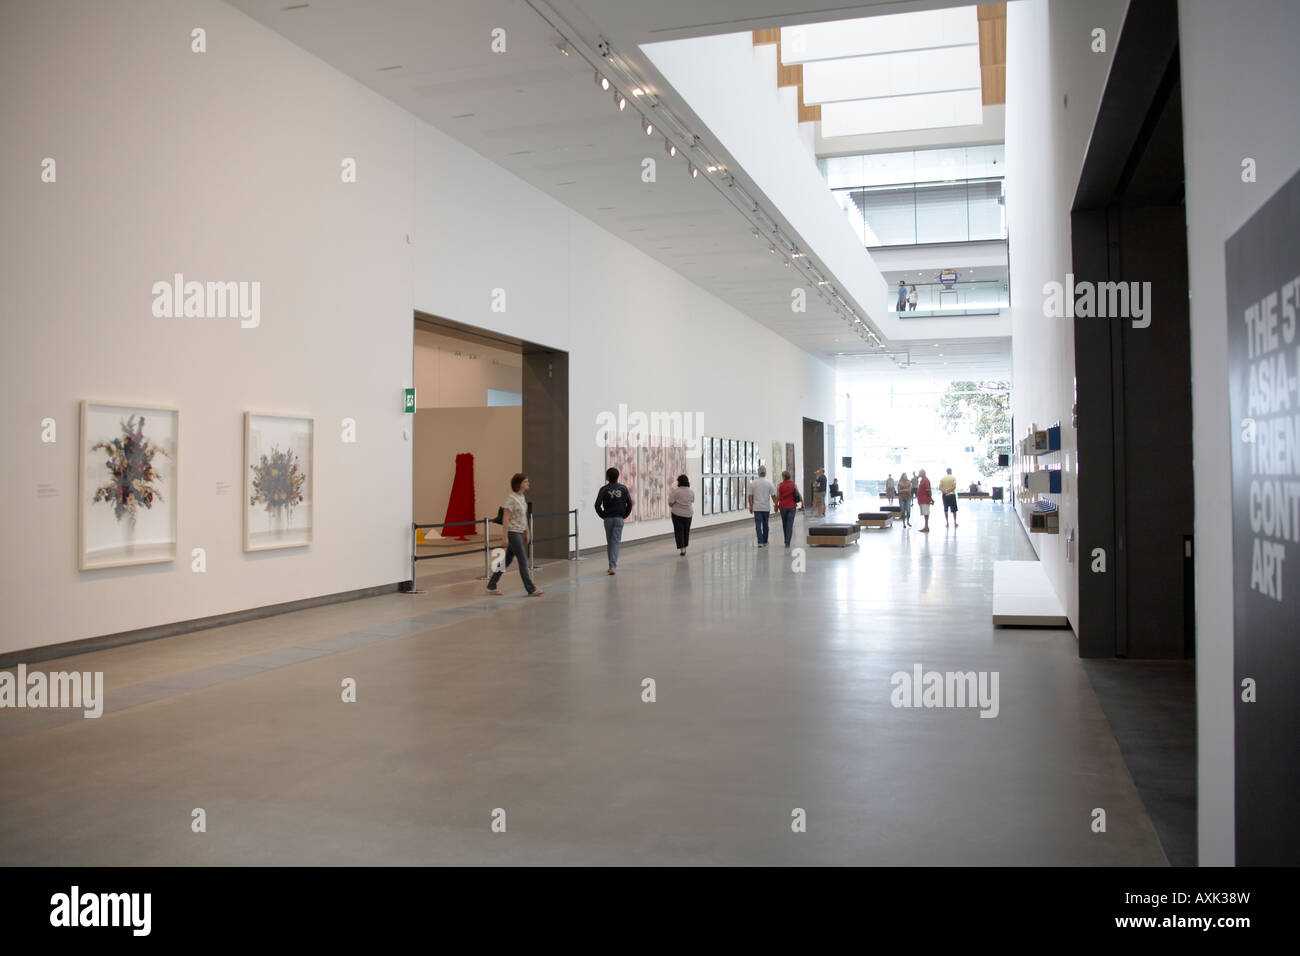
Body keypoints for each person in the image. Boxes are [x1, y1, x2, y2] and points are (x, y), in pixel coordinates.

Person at [486, 473, 544, 597]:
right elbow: (506, 518)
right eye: (525, 482)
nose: (528, 483)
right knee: (523, 560)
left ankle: (492, 584)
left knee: (506, 560)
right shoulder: (511, 499)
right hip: (513, 533)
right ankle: (531, 589)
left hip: (520, 532)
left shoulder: (522, 497)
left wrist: (527, 532)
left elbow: (524, 517)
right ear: (519, 484)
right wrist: (504, 536)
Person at [594, 466, 633, 574]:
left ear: (607, 477)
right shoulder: (623, 488)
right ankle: (612, 565)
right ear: (617, 476)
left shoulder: (604, 489)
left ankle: (611, 565)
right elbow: (629, 504)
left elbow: (597, 505)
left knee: (610, 542)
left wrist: (603, 515)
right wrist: (624, 515)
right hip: (619, 518)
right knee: (615, 541)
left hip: (608, 519)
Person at [748, 465, 779, 547]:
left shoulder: (753, 483)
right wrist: (776, 504)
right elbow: (773, 496)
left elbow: (750, 496)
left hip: (757, 507)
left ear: (758, 473)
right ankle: (765, 540)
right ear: (765, 472)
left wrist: (751, 506)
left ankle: (760, 542)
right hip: (766, 507)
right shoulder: (769, 483)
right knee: (765, 524)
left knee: (758, 525)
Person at [667, 474, 694, 555]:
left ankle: (682, 549)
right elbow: (692, 501)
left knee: (679, 532)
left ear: (679, 482)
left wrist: (676, 503)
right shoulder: (691, 491)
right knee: (686, 531)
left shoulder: (676, 491)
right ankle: (685, 547)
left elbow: (670, 503)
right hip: (688, 514)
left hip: (677, 514)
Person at [776, 469, 801, 547]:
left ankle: (786, 539)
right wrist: (802, 503)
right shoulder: (793, 484)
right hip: (792, 506)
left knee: (785, 523)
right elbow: (798, 494)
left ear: (783, 477)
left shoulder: (780, 485)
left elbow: (778, 497)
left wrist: (776, 506)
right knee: (790, 524)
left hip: (783, 507)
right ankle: (787, 542)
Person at [916, 468, 933, 533]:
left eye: (920, 473)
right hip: (922, 499)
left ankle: (926, 526)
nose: (919, 474)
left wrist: (931, 498)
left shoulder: (926, 480)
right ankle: (926, 526)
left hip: (925, 499)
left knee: (926, 513)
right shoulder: (922, 480)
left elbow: (928, 490)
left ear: (923, 473)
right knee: (925, 513)